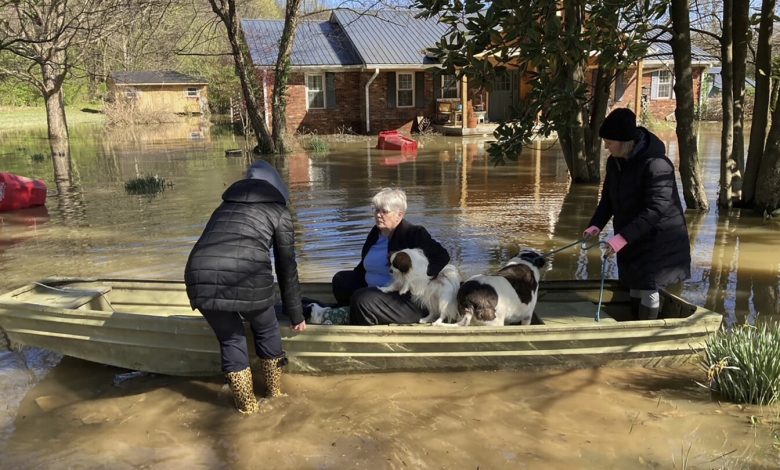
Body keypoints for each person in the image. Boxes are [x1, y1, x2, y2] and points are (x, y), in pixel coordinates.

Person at [184, 160, 306, 414]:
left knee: (231, 338)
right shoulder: (279, 213)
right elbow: (286, 268)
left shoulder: (224, 207)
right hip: (245, 277)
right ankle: (274, 394)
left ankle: (247, 408)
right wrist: (296, 315)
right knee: (266, 328)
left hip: (199, 276)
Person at [582, 108, 691, 321]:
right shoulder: (615, 162)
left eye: (609, 142)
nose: (606, 146)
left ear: (625, 141)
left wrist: (622, 238)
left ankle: (646, 332)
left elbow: (656, 210)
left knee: (649, 288)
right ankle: (632, 323)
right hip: (631, 235)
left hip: (659, 241)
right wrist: (596, 225)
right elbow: (608, 199)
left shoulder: (657, 165)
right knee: (632, 284)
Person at [331, 188, 451, 325]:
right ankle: (354, 311)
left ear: (399, 215)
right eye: (376, 210)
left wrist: (418, 279)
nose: (378, 215)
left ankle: (361, 315)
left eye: (384, 211)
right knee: (341, 280)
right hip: (375, 290)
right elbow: (365, 263)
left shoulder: (414, 233)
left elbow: (442, 257)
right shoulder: (375, 233)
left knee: (362, 298)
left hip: (405, 299)